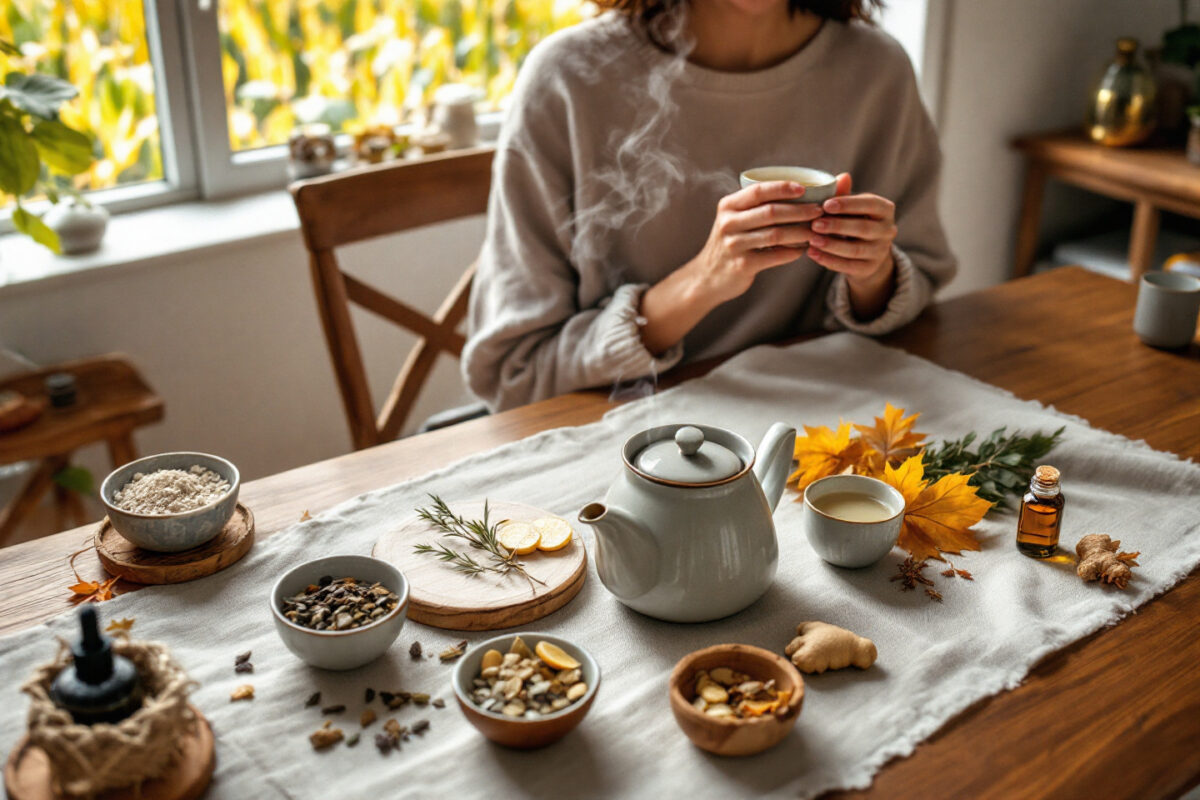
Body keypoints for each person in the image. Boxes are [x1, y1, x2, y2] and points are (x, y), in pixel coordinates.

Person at [462, 0, 956, 412]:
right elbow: (516, 373)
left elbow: (920, 293)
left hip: (826, 430)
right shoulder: (568, 78)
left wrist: (872, 277)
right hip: (625, 434)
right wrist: (701, 282)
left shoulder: (876, 69)